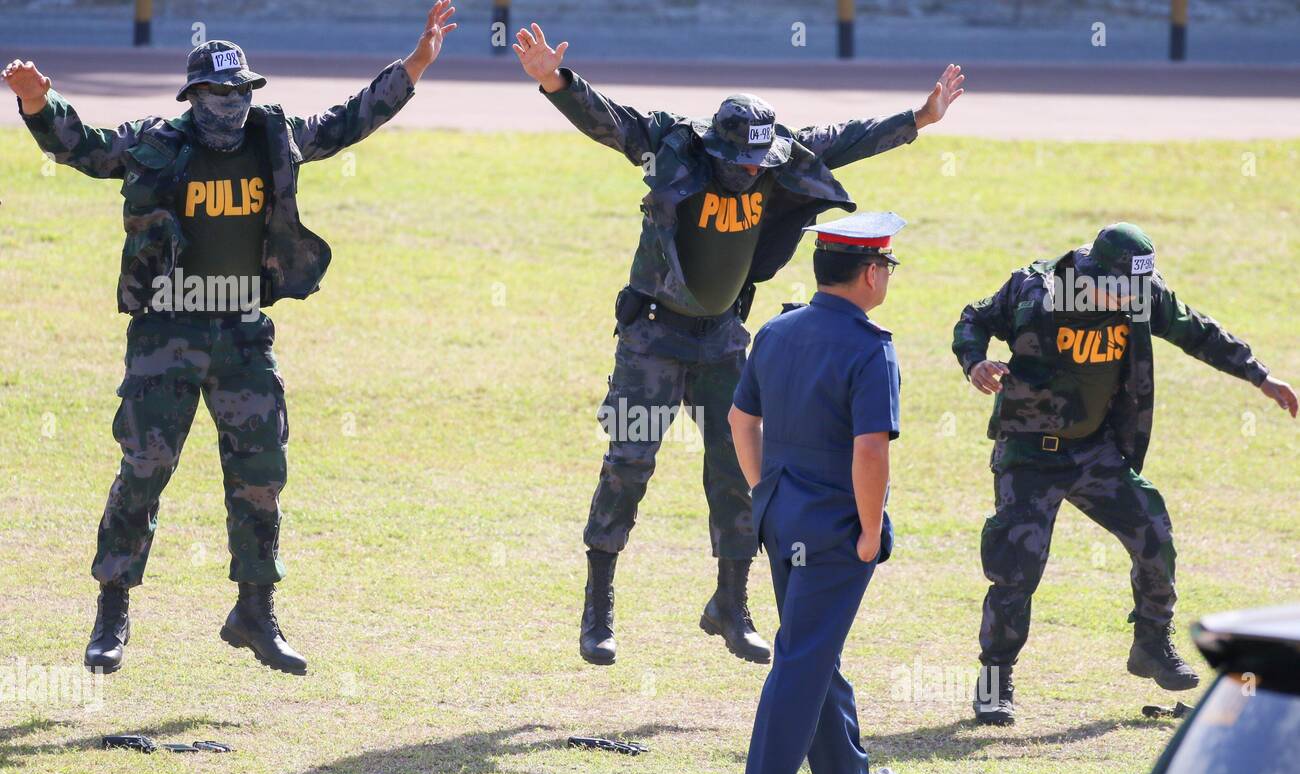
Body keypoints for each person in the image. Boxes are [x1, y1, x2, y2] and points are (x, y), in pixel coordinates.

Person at [2, 3, 460, 676]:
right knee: (146, 467)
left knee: (261, 471)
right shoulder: (160, 142)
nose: (232, 105)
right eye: (219, 93)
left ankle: (255, 611)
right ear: (194, 97)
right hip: (169, 328)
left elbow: (348, 120)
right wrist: (41, 103)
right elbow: (87, 147)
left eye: (242, 92)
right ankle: (112, 609)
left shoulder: (273, 137)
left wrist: (415, 64)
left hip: (242, 330)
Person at [513, 21, 964, 666]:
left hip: (724, 341)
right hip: (653, 337)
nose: (750, 173)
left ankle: (729, 605)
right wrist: (554, 80)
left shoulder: (774, 161)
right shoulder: (676, 145)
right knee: (629, 463)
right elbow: (609, 120)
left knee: (738, 470)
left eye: (759, 163)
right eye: (740, 164)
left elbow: (842, 141)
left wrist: (918, 117)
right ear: (716, 148)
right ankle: (598, 607)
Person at [953, 222, 1298, 725]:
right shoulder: (1035, 290)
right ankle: (995, 681)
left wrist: (1259, 375)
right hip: (1031, 452)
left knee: (1153, 533)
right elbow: (973, 318)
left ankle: (1152, 643)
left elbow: (1195, 329)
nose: (1131, 299)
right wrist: (975, 362)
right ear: (1091, 273)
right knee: (1016, 567)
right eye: (1120, 289)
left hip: (1094, 450)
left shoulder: (1138, 293)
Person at [729, 211, 906, 774]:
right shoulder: (869, 346)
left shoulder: (776, 331)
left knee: (810, 648)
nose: (886, 274)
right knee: (803, 657)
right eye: (885, 265)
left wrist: (763, 492)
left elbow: (739, 421)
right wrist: (867, 528)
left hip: (780, 518)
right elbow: (870, 451)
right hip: (834, 529)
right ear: (868, 274)